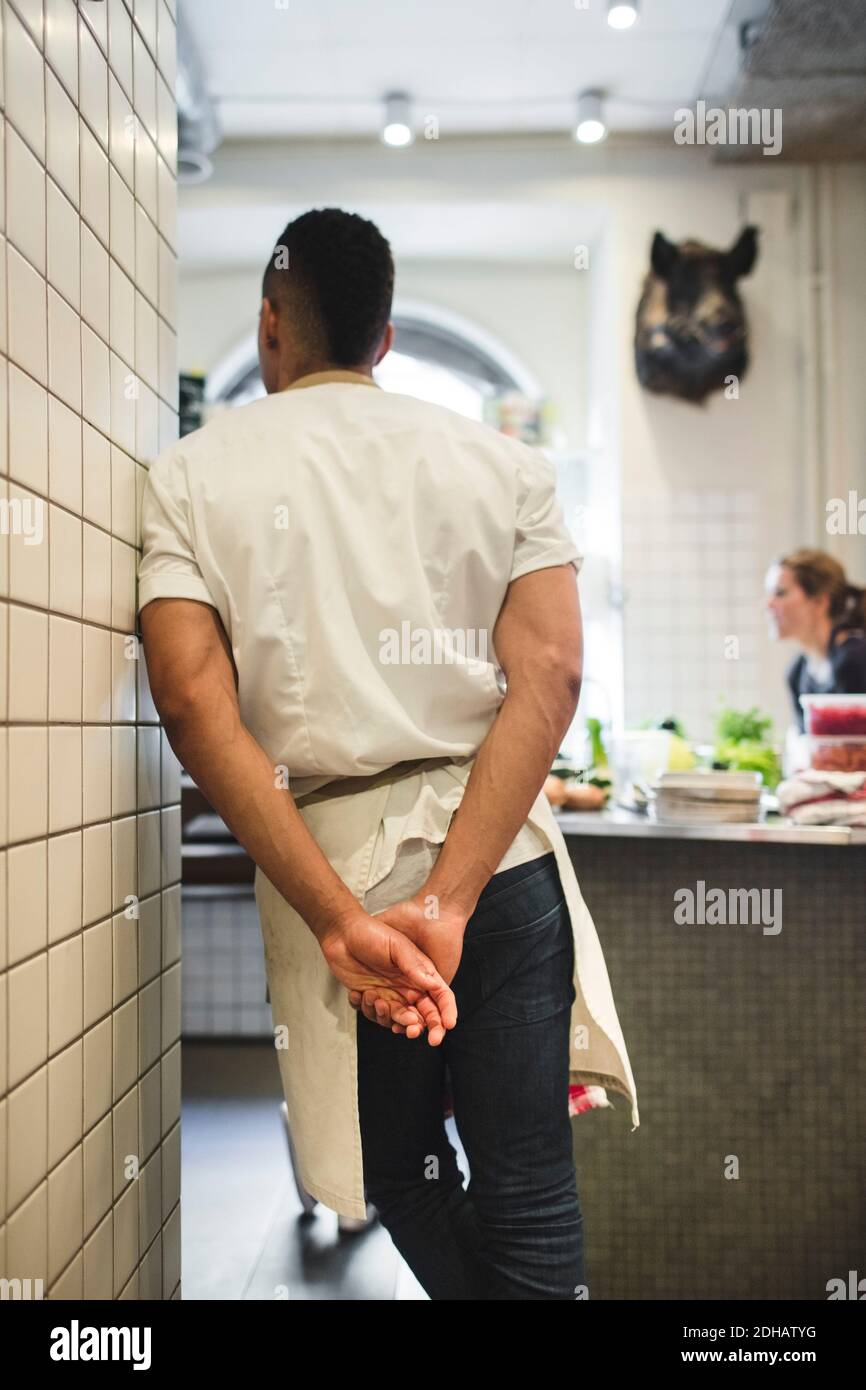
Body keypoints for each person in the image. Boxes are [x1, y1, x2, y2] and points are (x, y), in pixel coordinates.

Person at [137, 207, 638, 1301]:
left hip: (332, 867)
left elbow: (186, 699)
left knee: (400, 1177)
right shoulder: (503, 464)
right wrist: (450, 901)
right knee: (531, 1184)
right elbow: (550, 675)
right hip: (498, 871)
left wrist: (337, 918)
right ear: (385, 338)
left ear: (272, 324)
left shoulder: (189, 474)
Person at [765, 548, 866, 730]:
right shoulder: (797, 673)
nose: (768, 604)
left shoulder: (856, 659)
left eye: (780, 593)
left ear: (819, 601)